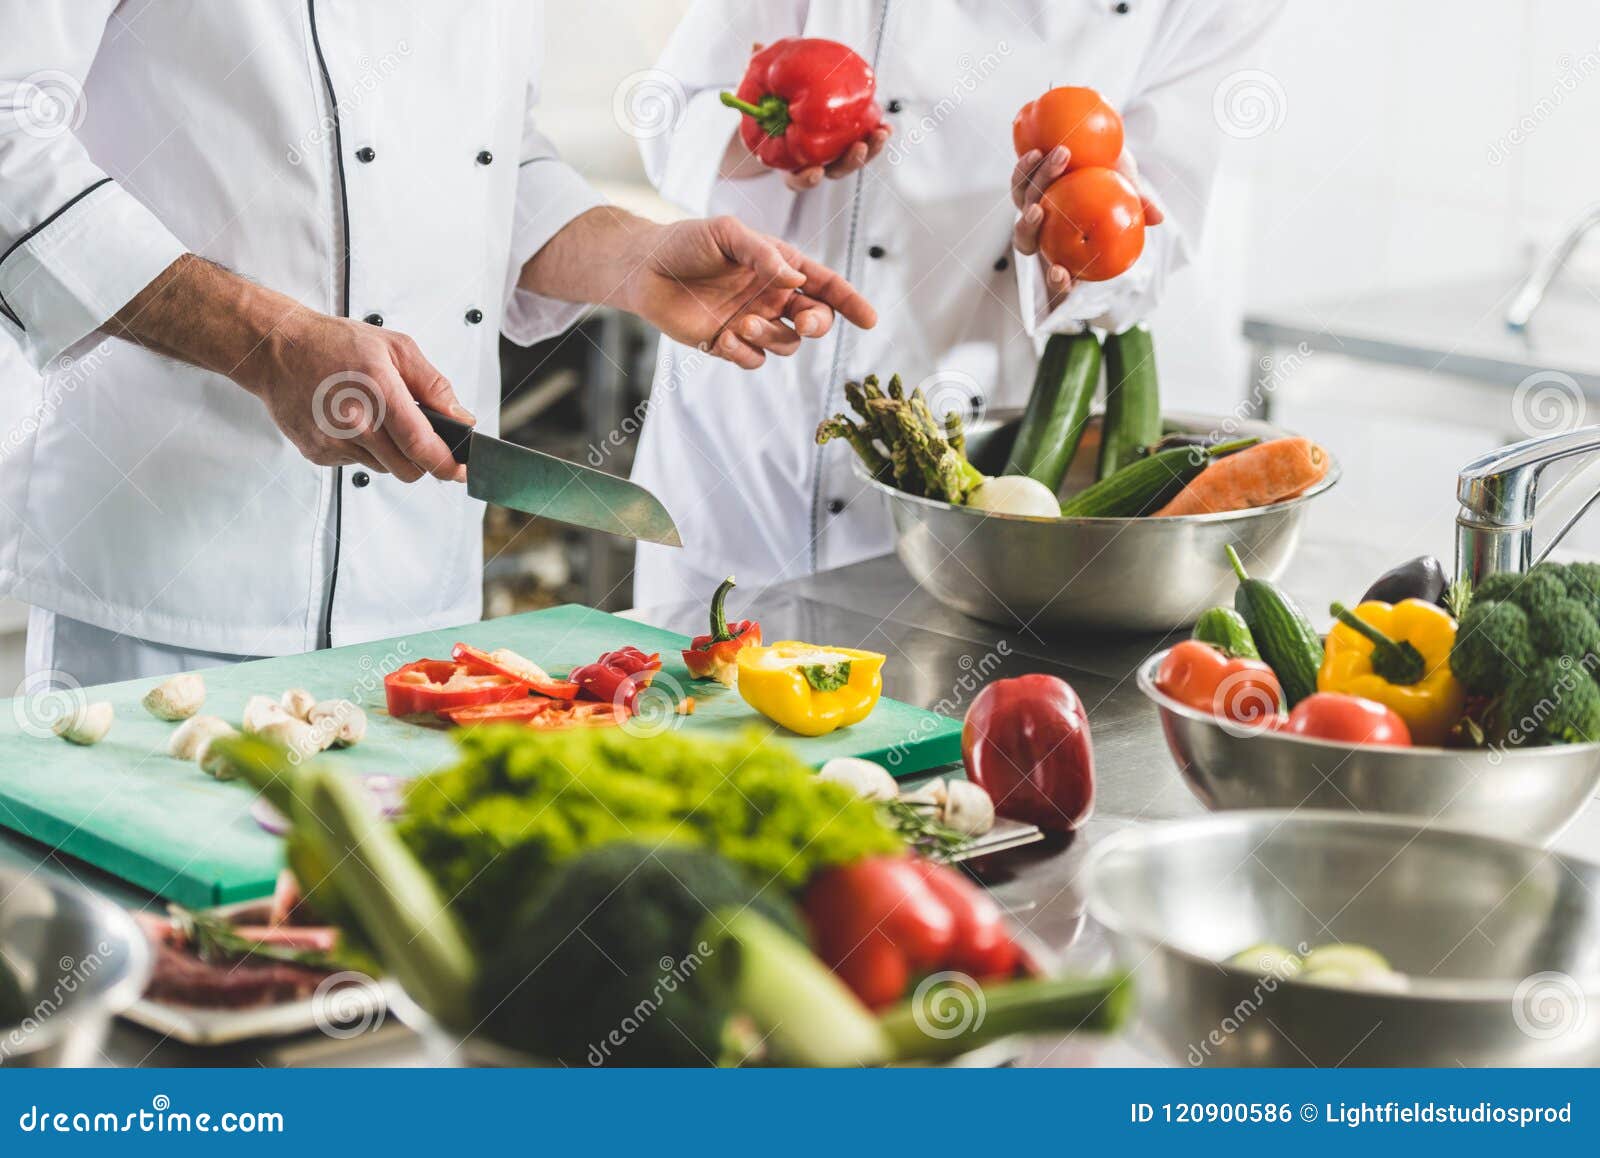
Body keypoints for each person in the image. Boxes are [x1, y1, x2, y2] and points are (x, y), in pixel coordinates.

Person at [0, 1, 873, 686]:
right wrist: (266, 343)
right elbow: (10, 134)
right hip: (166, 584)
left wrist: (636, 258)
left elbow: (496, 158)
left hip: (420, 596)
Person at [633, 0, 1282, 603]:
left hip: (958, 486)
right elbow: (672, 113)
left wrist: (1078, 261)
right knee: (674, 702)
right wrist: (770, 139)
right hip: (746, 436)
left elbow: (1153, 236)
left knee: (920, 700)